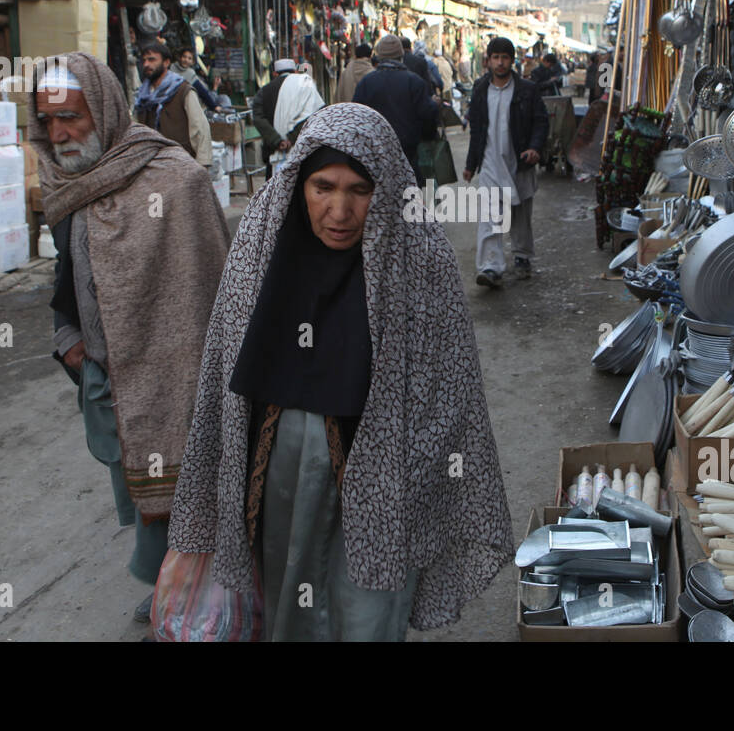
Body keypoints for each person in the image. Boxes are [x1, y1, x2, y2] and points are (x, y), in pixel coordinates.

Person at [167, 103, 514, 641]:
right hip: (278, 471)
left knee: (367, 615)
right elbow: (224, 366)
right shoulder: (262, 246)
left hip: (385, 485)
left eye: (360, 189)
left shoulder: (420, 259)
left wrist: (412, 475)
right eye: (323, 186)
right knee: (291, 603)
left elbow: (451, 394)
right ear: (299, 184)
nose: (340, 210)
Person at [31, 52, 230, 626]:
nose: (60, 133)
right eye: (48, 121)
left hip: (176, 371)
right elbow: (69, 274)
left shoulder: (178, 180)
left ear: (106, 107)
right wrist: (67, 333)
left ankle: (202, 591)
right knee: (136, 484)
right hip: (106, 370)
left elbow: (213, 288)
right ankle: (169, 581)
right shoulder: (68, 180)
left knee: (191, 481)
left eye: (72, 117)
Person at [463, 36, 548, 288]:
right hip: (490, 162)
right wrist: (470, 164)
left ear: (512, 61)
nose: (500, 63)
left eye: (505, 58)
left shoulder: (527, 90)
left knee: (520, 213)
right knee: (489, 215)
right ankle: (490, 266)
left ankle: (522, 256)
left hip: (518, 161)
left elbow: (541, 121)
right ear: (488, 60)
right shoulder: (480, 89)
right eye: (496, 57)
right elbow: (477, 130)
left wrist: (534, 148)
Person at [351, 34, 440, 185]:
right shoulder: (414, 82)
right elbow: (427, 116)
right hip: (408, 156)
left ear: (379, 58)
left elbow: (356, 119)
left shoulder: (367, 83)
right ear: (401, 56)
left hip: (376, 159)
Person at [132, 42, 211, 167]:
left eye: (152, 59)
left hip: (181, 165)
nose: (146, 64)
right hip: (151, 165)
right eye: (144, 60)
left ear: (166, 63)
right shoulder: (142, 96)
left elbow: (200, 128)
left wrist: (202, 164)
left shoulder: (183, 91)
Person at [251, 57, 324, 172]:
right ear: (294, 71)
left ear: (274, 74)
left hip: (274, 151)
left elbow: (258, 118)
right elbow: (315, 114)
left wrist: (277, 140)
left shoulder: (264, 91)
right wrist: (291, 138)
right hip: (302, 150)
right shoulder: (305, 85)